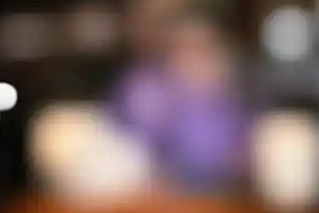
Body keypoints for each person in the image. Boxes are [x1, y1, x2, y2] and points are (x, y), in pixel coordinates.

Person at [107, 10, 251, 194]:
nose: (194, 57)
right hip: (153, 201)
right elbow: (126, 155)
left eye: (204, 48)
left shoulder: (234, 97)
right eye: (183, 47)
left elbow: (239, 161)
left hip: (225, 201)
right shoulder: (143, 89)